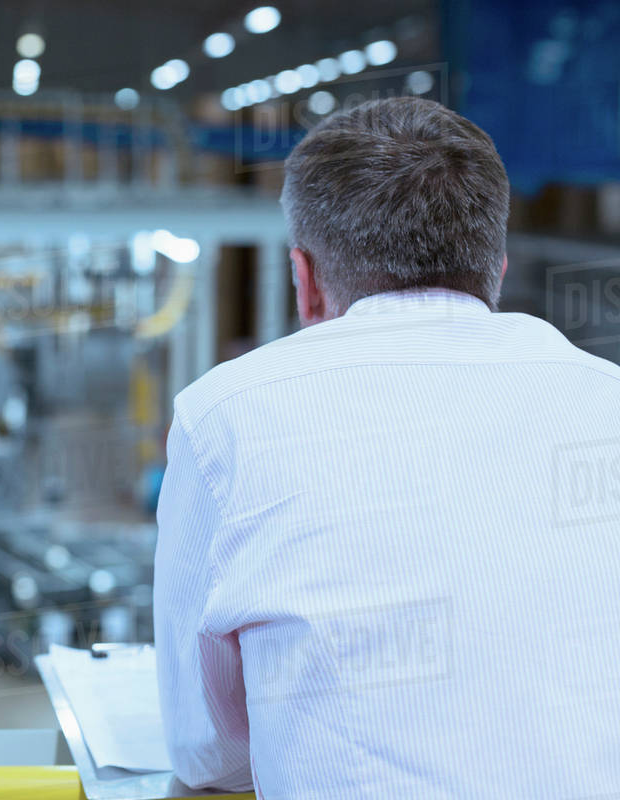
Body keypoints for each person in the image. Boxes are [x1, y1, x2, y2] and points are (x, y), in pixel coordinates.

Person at [154, 96, 620, 798]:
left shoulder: (224, 417)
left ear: (305, 281)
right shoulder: (606, 398)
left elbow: (208, 752)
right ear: (495, 269)